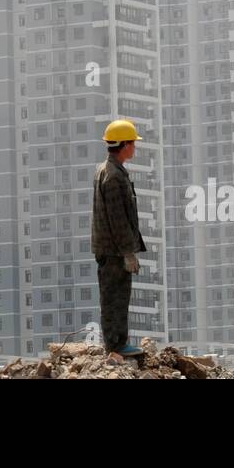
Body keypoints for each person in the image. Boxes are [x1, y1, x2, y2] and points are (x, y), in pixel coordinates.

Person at [91, 119, 145, 362]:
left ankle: (117, 343)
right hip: (113, 250)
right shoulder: (113, 176)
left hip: (111, 248)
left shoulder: (108, 170)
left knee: (115, 295)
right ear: (124, 144)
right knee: (115, 297)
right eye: (132, 143)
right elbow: (117, 219)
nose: (134, 147)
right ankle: (115, 344)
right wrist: (127, 252)